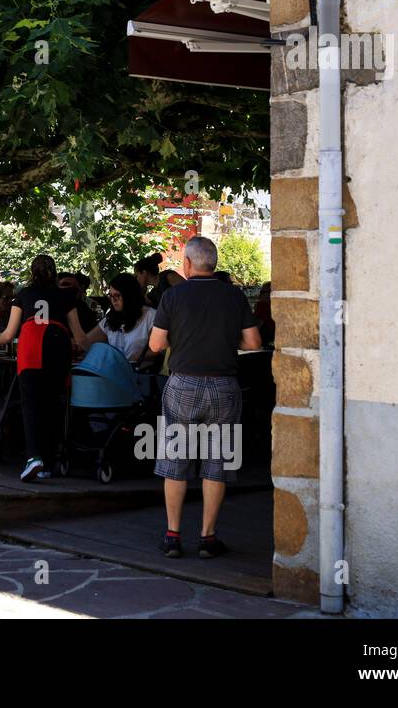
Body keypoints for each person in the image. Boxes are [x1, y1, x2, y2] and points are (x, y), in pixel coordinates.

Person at [148, 235, 262, 560]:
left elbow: (156, 345)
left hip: (183, 384)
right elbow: (253, 342)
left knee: (175, 460)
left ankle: (172, 536)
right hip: (224, 386)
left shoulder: (172, 296)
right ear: (213, 263)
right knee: (217, 462)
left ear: (186, 263)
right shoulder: (234, 295)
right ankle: (207, 538)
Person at [0, 254, 87, 482]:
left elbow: (9, 334)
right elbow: (80, 336)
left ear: (32, 273)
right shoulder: (65, 296)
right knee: (53, 403)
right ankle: (49, 461)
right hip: (58, 345)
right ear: (55, 273)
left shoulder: (24, 295)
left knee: (31, 403)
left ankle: (33, 457)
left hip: (30, 346)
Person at [79, 272, 157, 364]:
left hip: (140, 373)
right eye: (111, 296)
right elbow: (86, 341)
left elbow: (160, 350)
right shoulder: (111, 317)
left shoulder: (151, 316)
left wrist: (137, 358)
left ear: (129, 296)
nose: (114, 300)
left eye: (117, 295)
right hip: (115, 371)